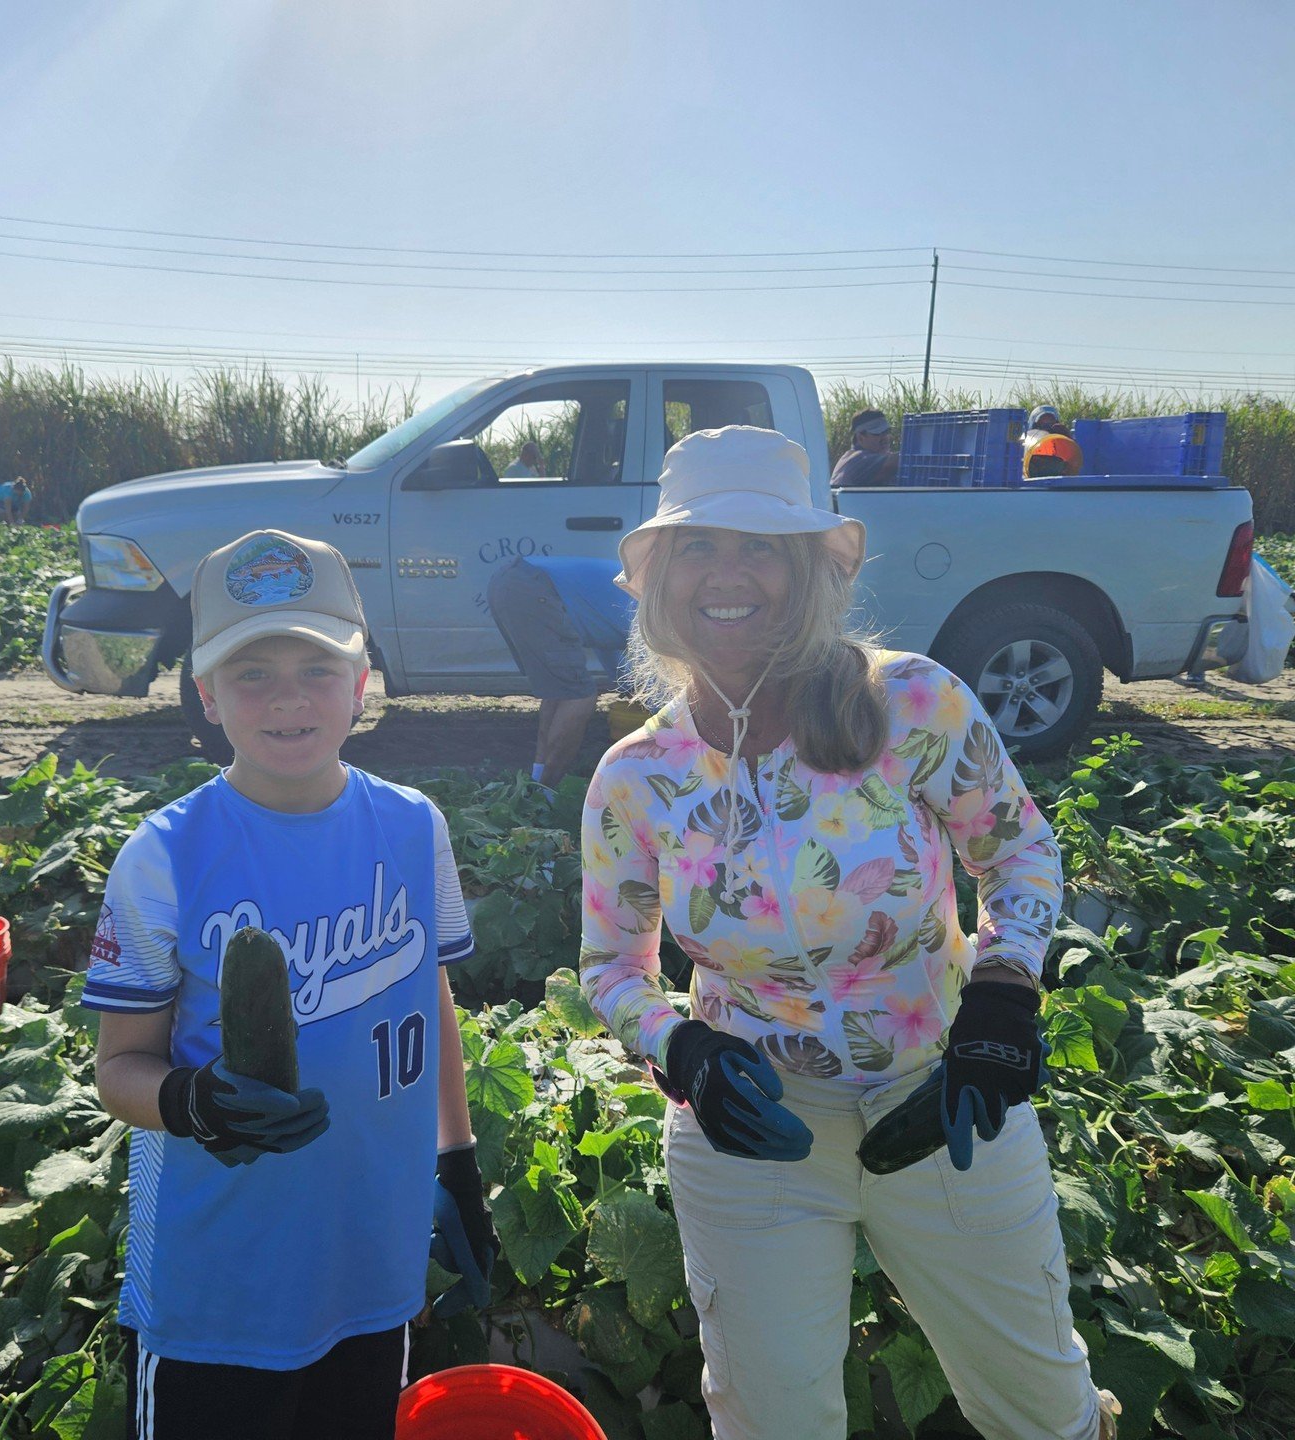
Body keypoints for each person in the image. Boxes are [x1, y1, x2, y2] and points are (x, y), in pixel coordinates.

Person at [579, 427, 1119, 1440]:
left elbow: (1020, 854)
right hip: (755, 1132)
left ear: (810, 568)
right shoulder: (636, 775)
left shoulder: (908, 702)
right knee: (770, 1420)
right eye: (698, 547)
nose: (728, 573)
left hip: (944, 1092)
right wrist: (682, 1049)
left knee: (1041, 1407)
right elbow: (611, 968)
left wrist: (1003, 997)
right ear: (657, 576)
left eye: (761, 547)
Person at [82, 528, 498, 1440]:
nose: (287, 700)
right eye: (251, 673)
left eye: (315, 667)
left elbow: (429, 1001)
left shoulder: (412, 827)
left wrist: (456, 1162)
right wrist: (197, 1103)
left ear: (361, 683)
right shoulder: (162, 857)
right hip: (218, 1286)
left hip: (370, 1261)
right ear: (207, 696)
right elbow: (119, 1070)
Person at [486, 554, 636, 789]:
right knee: (580, 696)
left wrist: (630, 688)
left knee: (560, 692)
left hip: (511, 580)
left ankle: (537, 781)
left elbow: (611, 647)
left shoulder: (638, 593)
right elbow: (655, 682)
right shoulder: (657, 605)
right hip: (535, 588)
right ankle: (546, 790)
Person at [830, 408, 898, 487]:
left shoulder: (856, 457)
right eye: (877, 433)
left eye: (886, 432)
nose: (885, 437)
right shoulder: (858, 459)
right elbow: (894, 463)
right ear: (860, 438)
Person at [1023, 404, 1084, 478]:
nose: (1047, 425)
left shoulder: (1062, 438)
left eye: (1051, 422)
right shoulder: (1028, 441)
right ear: (1034, 425)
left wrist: (1066, 435)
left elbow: (1072, 459)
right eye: (1043, 423)